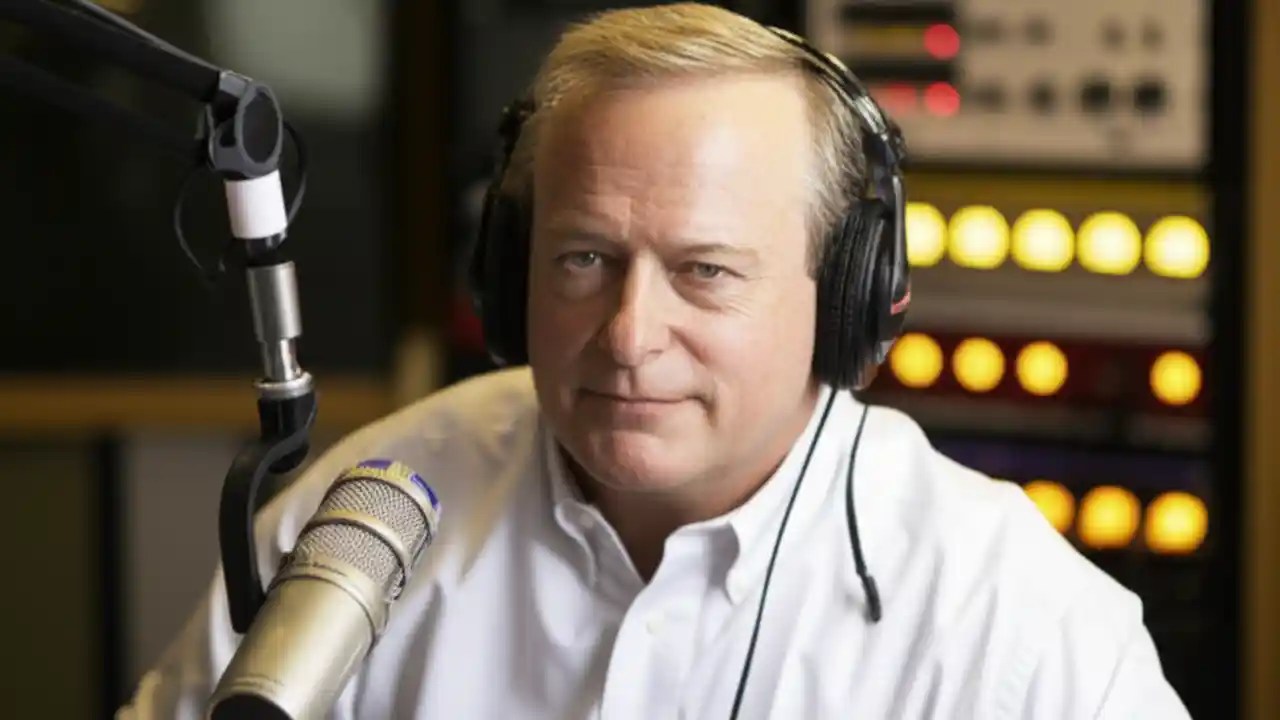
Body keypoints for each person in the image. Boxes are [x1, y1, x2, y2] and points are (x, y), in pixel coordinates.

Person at [118, 4, 1190, 718]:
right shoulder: (366, 518)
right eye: (583, 258)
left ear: (850, 300)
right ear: (506, 271)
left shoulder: (1015, 625)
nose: (627, 335)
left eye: (706, 271)